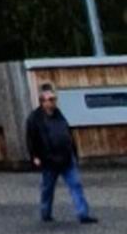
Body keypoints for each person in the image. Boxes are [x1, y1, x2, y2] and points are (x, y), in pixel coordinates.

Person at [25, 82, 98, 226]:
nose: (53, 102)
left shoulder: (59, 114)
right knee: (47, 188)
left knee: (75, 184)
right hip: (49, 159)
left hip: (66, 157)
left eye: (54, 99)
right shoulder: (34, 118)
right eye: (50, 100)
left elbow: (67, 133)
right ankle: (45, 213)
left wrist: (73, 153)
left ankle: (83, 214)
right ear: (42, 101)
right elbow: (30, 139)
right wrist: (35, 156)